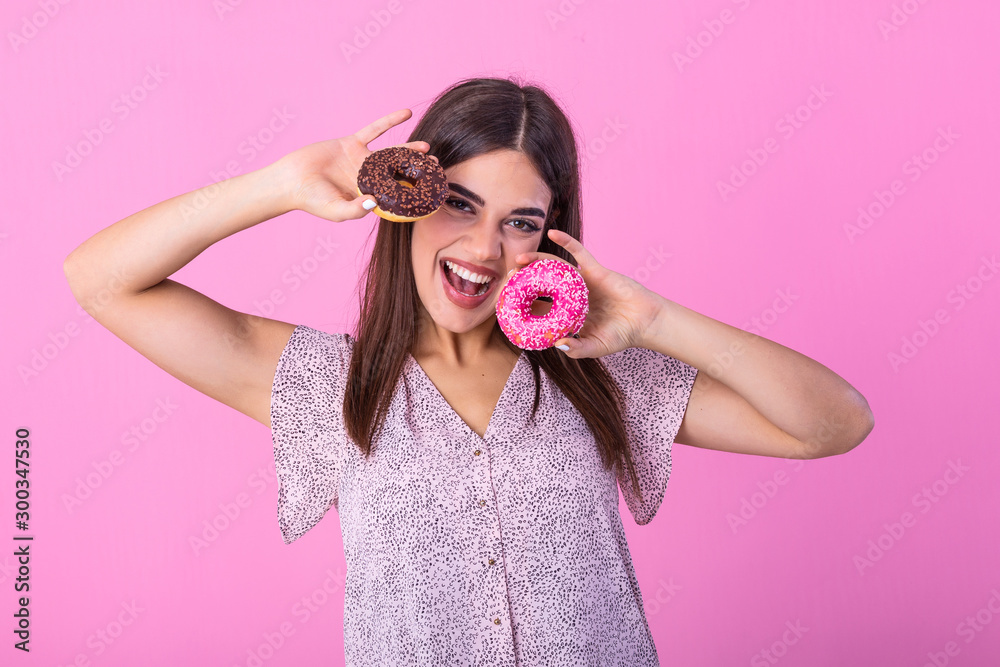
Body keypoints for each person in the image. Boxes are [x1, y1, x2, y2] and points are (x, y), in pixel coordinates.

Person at [63, 76, 874, 666]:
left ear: (550, 237)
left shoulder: (600, 373)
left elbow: (835, 422)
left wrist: (658, 321)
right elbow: (100, 280)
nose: (485, 249)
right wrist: (279, 185)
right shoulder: (326, 384)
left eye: (521, 221)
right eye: (459, 202)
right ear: (406, 198)